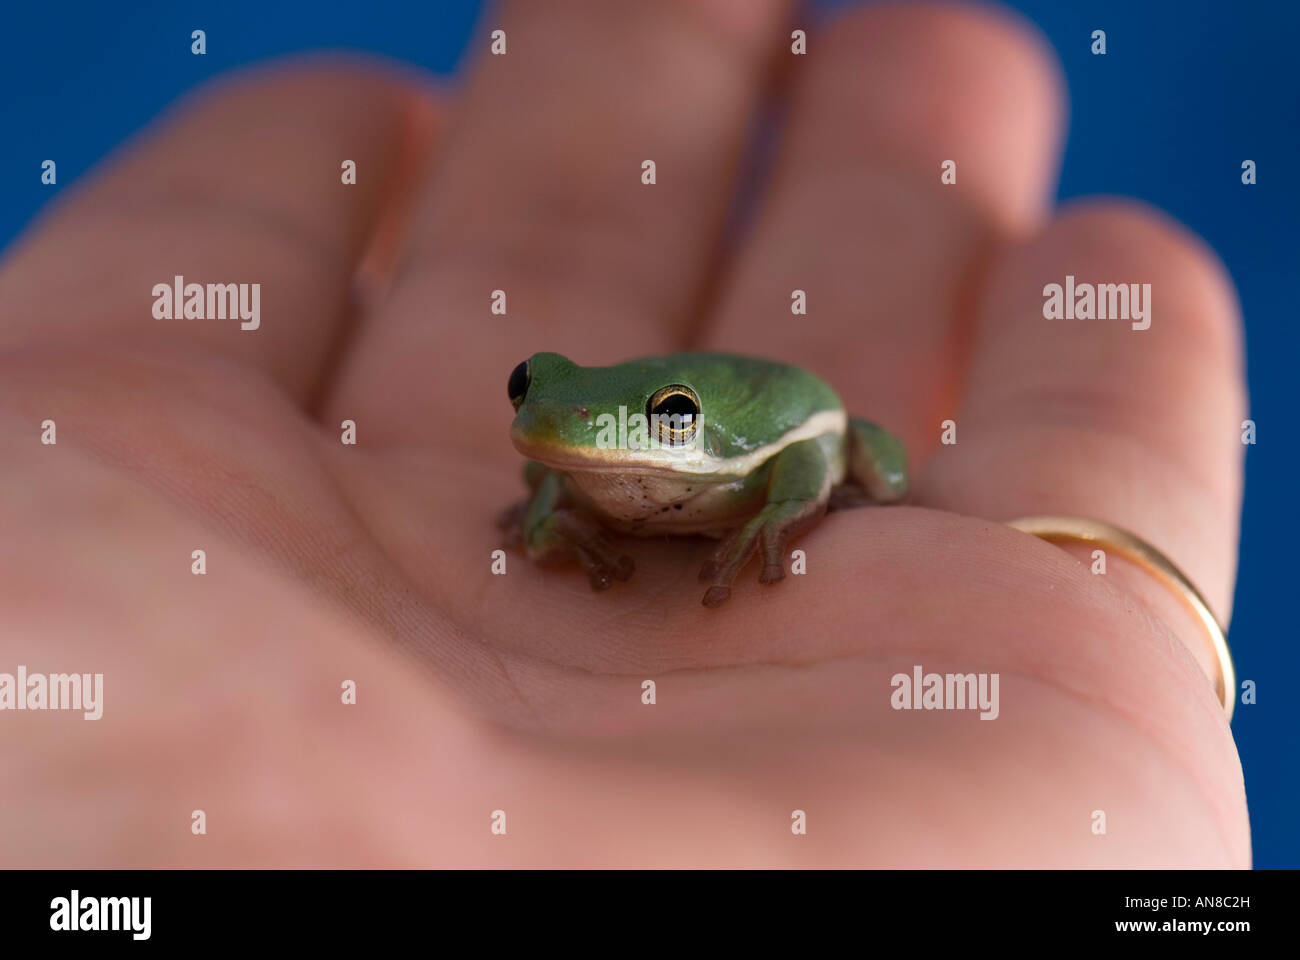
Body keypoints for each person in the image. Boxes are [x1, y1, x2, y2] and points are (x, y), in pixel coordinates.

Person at [0, 0, 1247, 866]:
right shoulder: (566, 446)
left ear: (678, 427)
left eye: (650, 425)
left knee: (878, 460)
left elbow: (815, 445)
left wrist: (780, 506)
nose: (552, 431)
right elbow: (558, 451)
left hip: (777, 437)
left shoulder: (727, 440)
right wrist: (553, 516)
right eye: (522, 395)